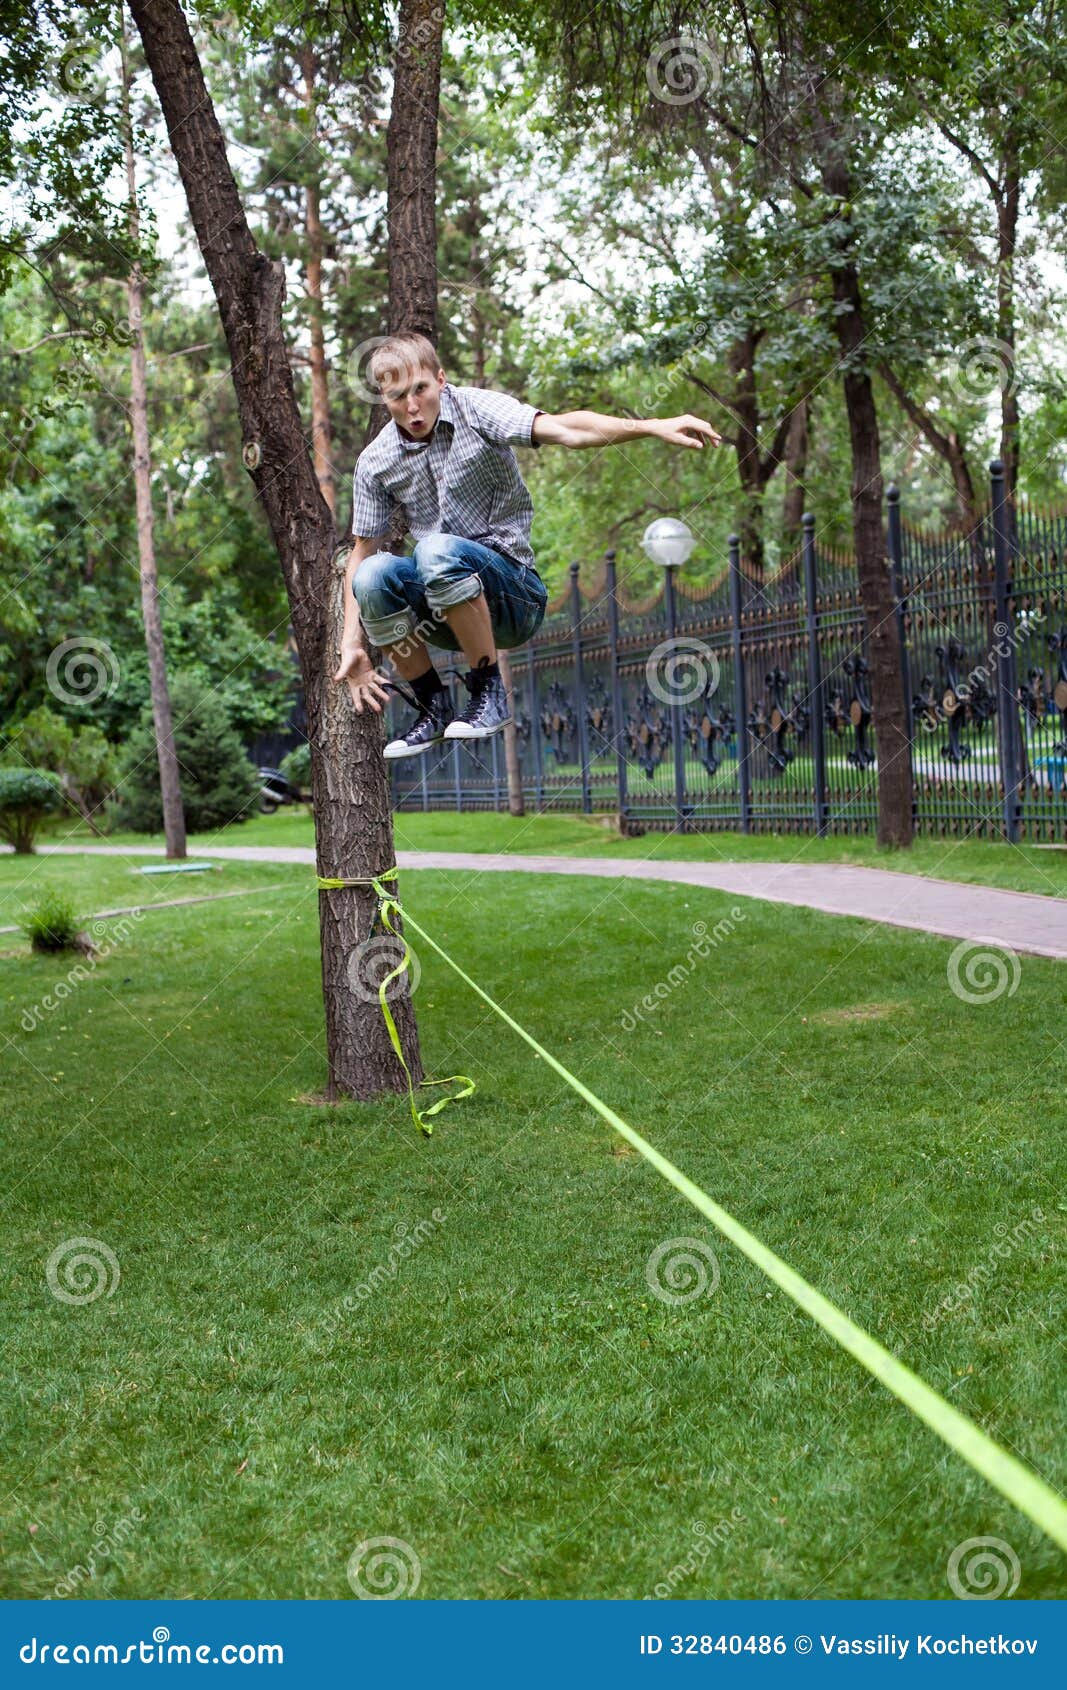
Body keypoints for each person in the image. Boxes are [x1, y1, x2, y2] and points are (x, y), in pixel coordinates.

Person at [335, 333, 721, 758]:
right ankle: (433, 708)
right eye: (396, 397)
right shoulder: (375, 460)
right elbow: (362, 552)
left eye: (420, 390)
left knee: (434, 550)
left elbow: (567, 429)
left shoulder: (477, 409)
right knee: (373, 574)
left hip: (513, 594)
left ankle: (489, 691)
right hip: (448, 605)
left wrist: (649, 426)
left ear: (440, 380)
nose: (411, 407)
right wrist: (351, 643)